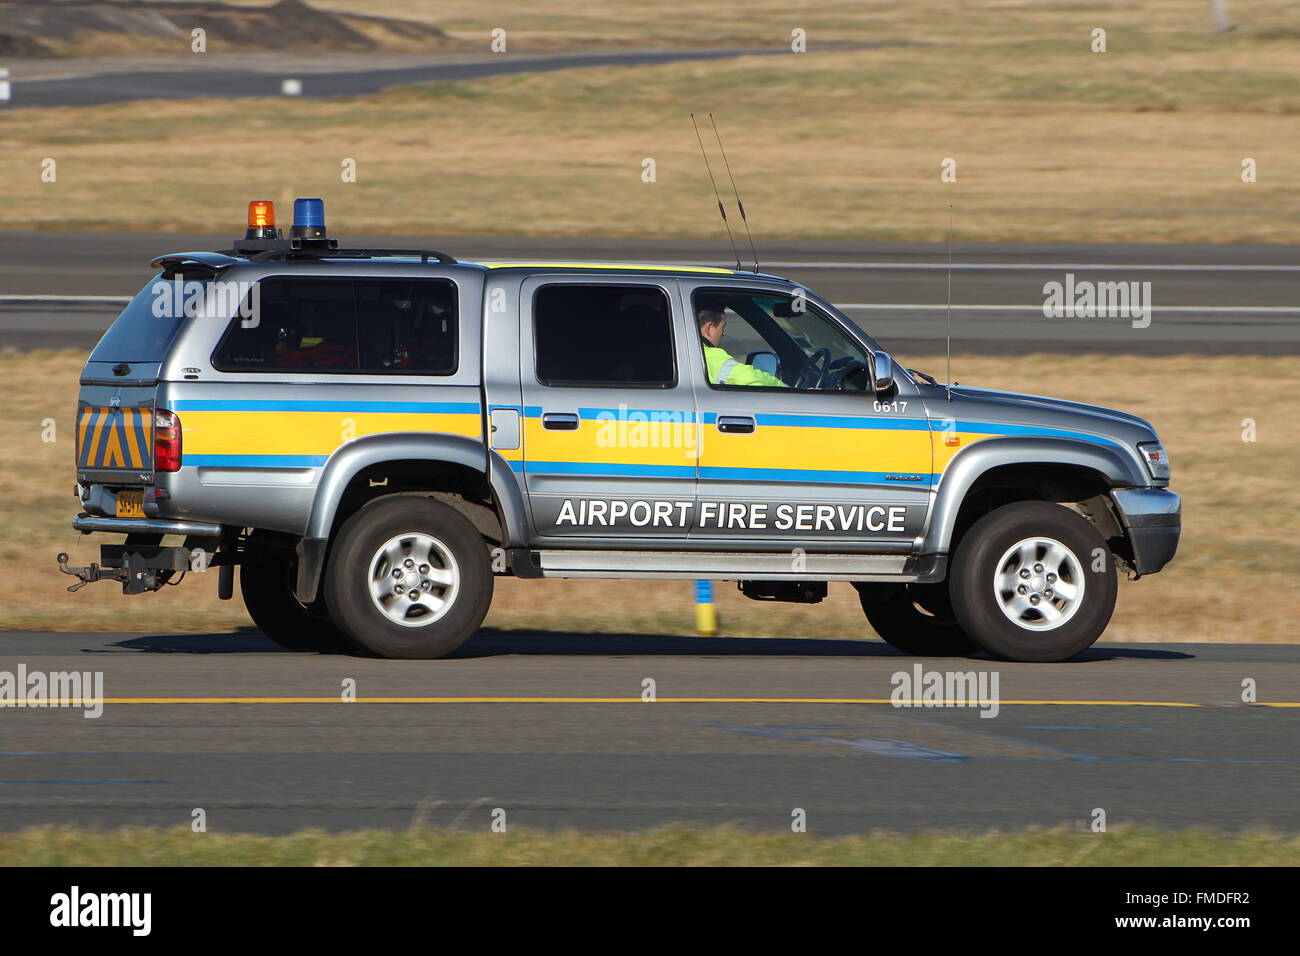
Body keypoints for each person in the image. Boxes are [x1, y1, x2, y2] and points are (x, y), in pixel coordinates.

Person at [697, 308, 785, 387]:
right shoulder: (711, 358)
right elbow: (751, 378)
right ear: (709, 328)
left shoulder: (689, 352)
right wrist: (784, 388)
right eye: (722, 328)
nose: (723, 334)